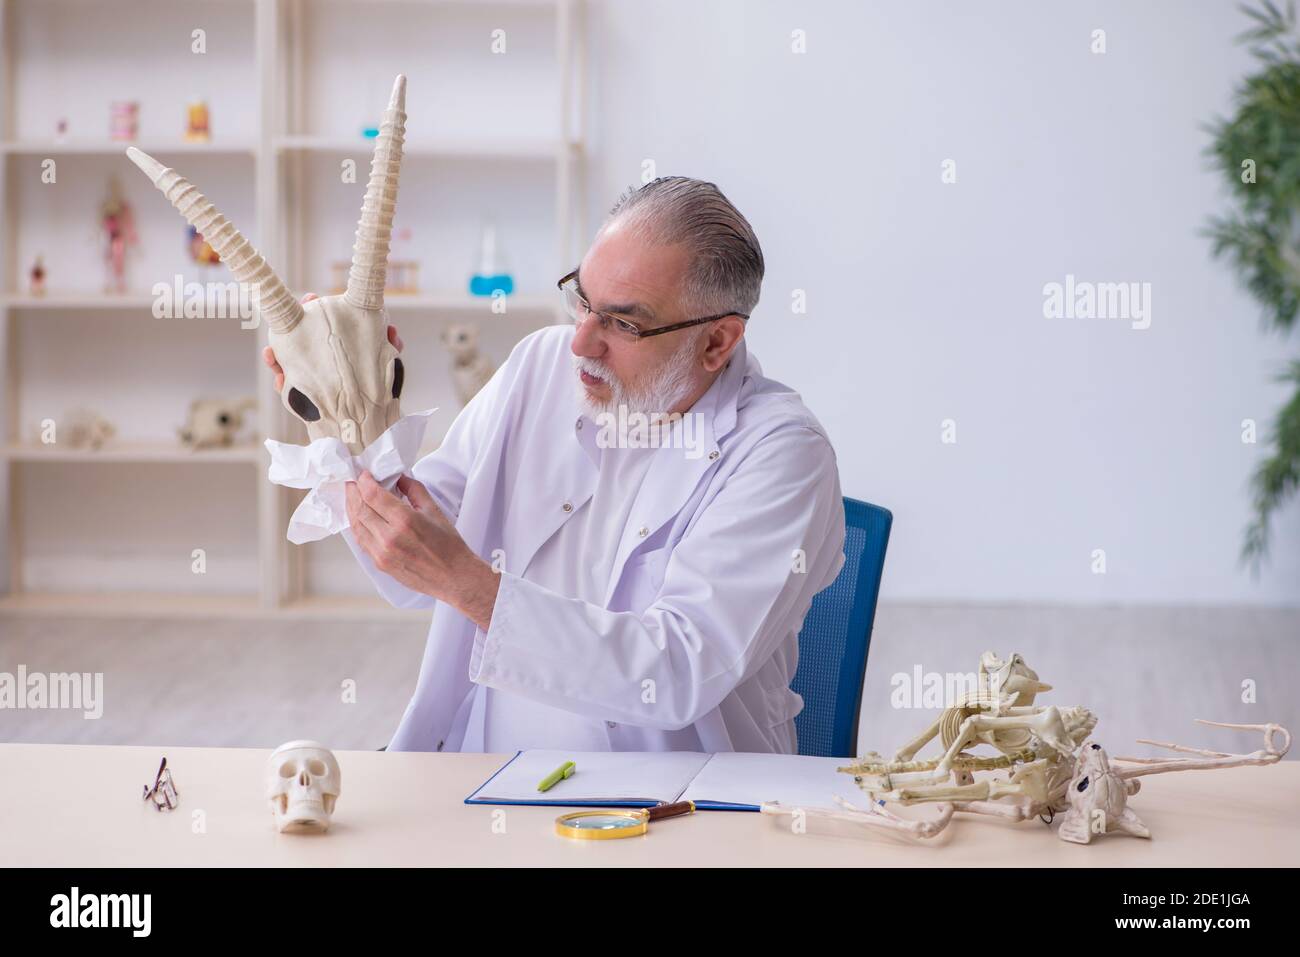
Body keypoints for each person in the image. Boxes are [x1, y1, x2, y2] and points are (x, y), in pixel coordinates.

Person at [264, 177, 845, 753]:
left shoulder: (783, 453)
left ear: (718, 342)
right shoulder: (539, 366)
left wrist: (470, 586)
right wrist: (345, 416)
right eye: (582, 301)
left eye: (623, 323)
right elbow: (409, 572)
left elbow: (676, 672)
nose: (581, 342)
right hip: (488, 781)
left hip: (682, 805)